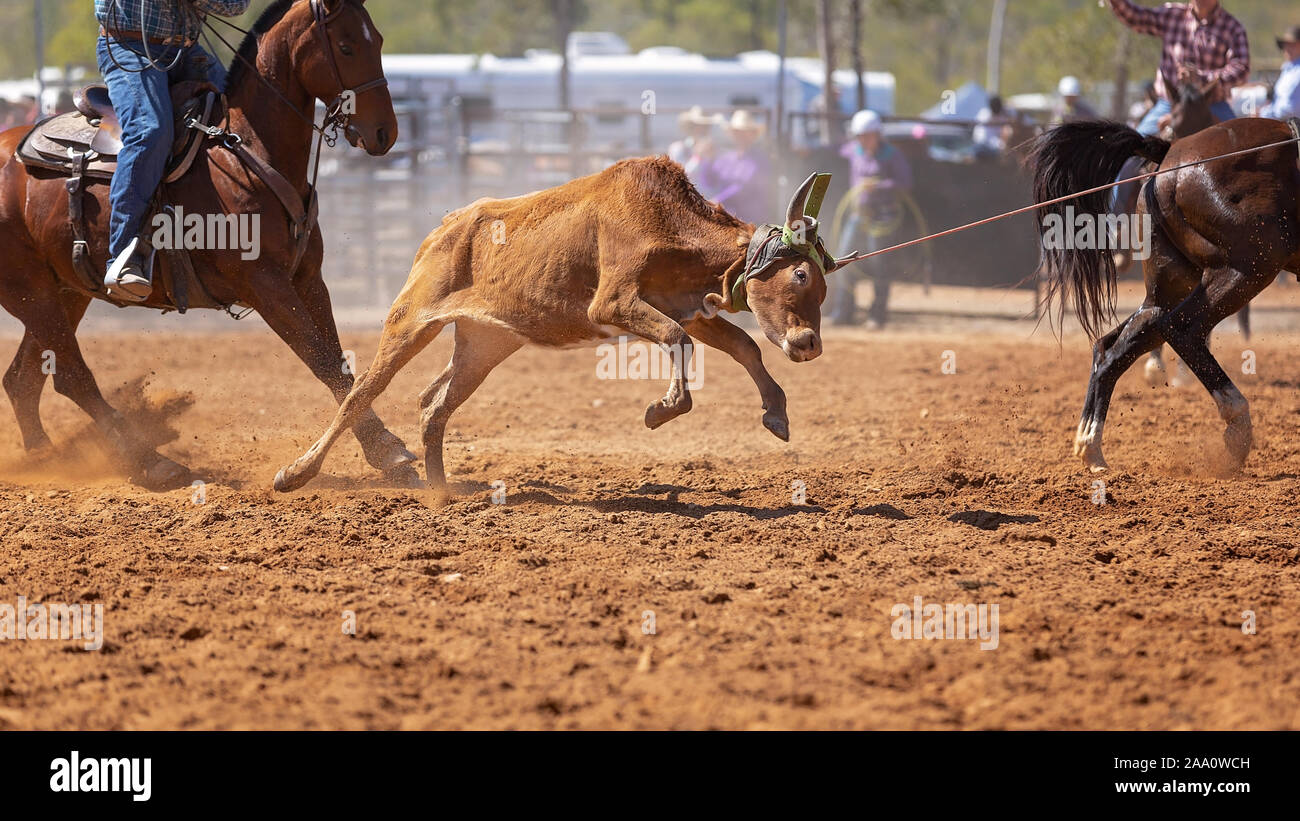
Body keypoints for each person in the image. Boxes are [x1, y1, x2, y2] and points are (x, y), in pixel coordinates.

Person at [94, 0, 250, 302]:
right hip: (129, 48)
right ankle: (124, 253)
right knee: (149, 131)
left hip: (187, 52)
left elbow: (236, 5)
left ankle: (252, 243)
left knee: (247, 121)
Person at [1105, 0, 1248, 135]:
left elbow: (1241, 68)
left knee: (1241, 146)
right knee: (1136, 150)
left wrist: (1202, 78)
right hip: (1169, 104)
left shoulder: (1232, 28)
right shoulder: (1172, 15)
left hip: (1212, 105)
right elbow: (1136, 17)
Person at [831, 109, 913, 328]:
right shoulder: (854, 151)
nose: (863, 140)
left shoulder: (892, 155)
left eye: (867, 135)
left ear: (877, 134)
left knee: (880, 264)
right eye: (860, 136)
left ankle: (877, 314)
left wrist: (880, 185)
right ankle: (844, 311)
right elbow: (836, 148)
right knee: (842, 260)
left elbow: (905, 182)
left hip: (883, 218)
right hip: (859, 215)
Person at [695, 109, 772, 226]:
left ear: (753, 134)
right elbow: (709, 182)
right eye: (736, 131)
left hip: (751, 221)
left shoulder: (760, 159)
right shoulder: (727, 158)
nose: (740, 135)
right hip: (728, 218)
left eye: (744, 132)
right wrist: (708, 159)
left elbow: (743, 187)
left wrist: (716, 201)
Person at [1259, 25, 1300, 120]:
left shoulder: (1296, 71)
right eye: (1286, 45)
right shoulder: (1287, 68)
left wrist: (1263, 113)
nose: (1287, 48)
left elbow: (1292, 108)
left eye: (1293, 45)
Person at [667, 105, 717, 182]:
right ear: (690, 127)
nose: (703, 129)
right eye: (698, 126)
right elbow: (682, 175)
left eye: (706, 126)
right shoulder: (678, 148)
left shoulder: (713, 148)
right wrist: (698, 157)